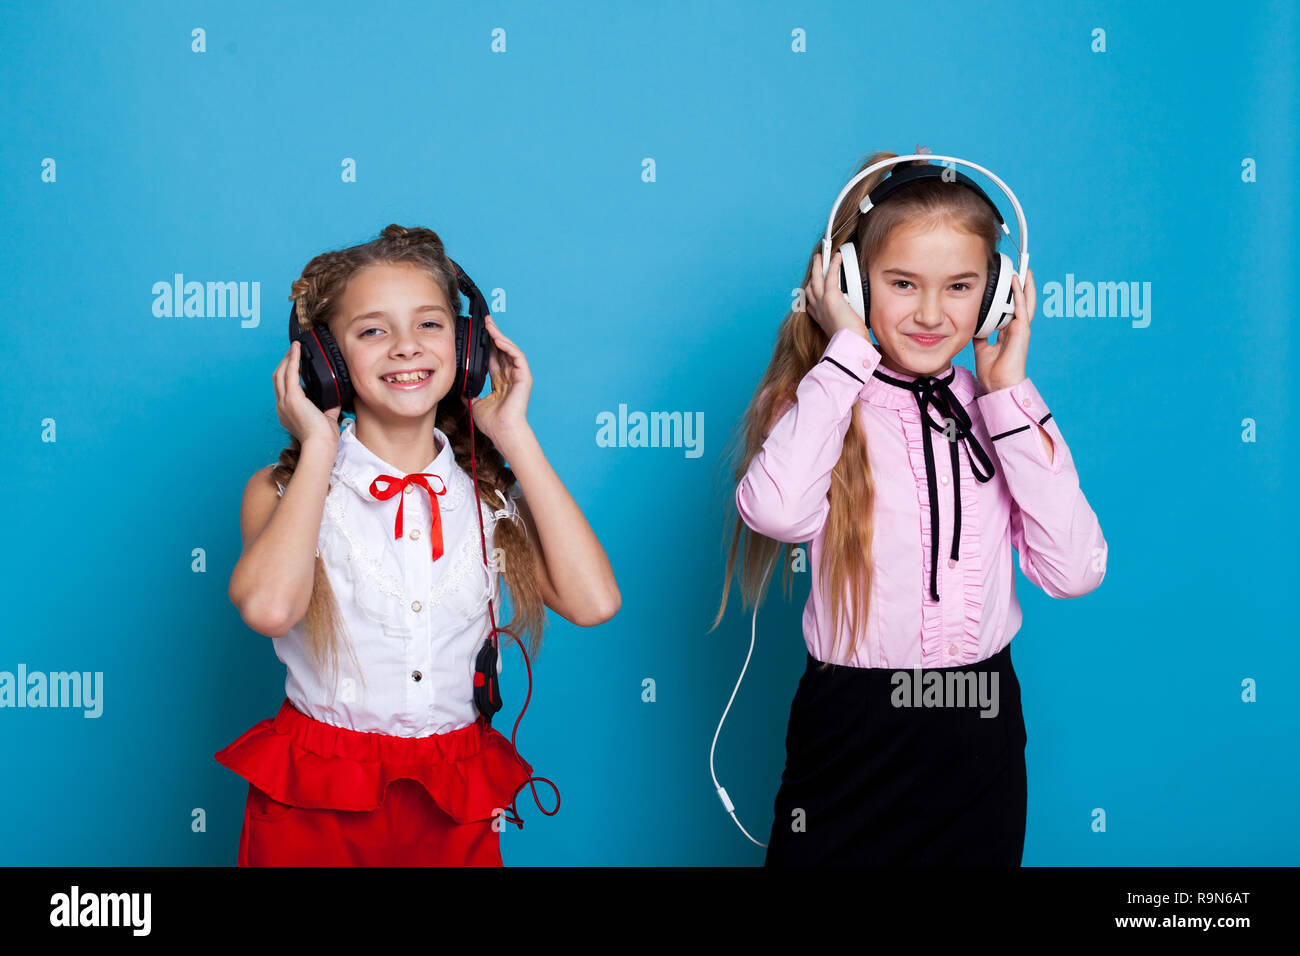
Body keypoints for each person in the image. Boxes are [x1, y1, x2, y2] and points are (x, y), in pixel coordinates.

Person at [714, 152, 1107, 866]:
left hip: (980, 722)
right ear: (851, 287)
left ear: (998, 297)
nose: (931, 313)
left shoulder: (1002, 410)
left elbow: (1073, 569)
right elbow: (775, 512)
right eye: (901, 284)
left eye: (961, 287)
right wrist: (844, 355)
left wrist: (1010, 394)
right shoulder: (820, 402)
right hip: (852, 725)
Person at [215, 224, 620, 866]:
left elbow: (594, 601)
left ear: (467, 348)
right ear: (326, 361)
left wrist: (514, 435)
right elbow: (270, 609)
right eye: (372, 331)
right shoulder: (283, 489)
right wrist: (319, 445)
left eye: (429, 325)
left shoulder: (488, 497)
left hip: (452, 792)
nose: (405, 347)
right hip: (317, 795)